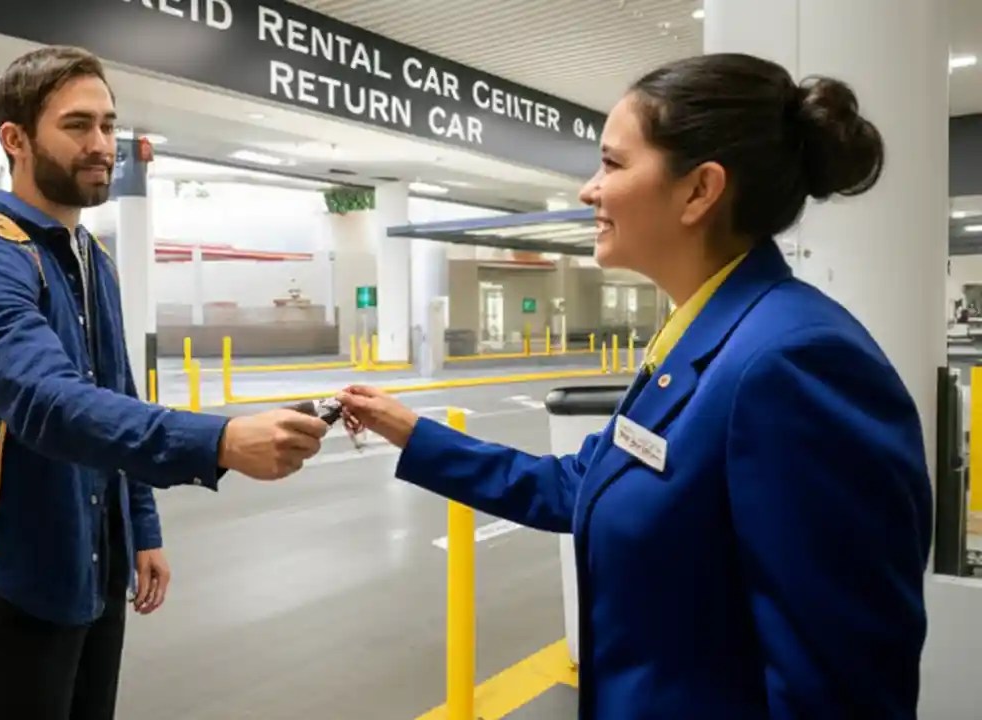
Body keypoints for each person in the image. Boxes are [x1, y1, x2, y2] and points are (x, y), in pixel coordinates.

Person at [338, 53, 932, 720]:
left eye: (613, 164)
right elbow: (581, 487)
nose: (590, 189)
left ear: (700, 191)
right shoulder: (702, 337)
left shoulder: (792, 364)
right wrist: (412, 433)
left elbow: (841, 688)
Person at [0, 46, 329, 720]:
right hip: (14, 571)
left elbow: (118, 398)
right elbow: (50, 405)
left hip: (96, 562)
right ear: (15, 140)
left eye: (109, 125)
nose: (103, 145)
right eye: (78, 126)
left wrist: (141, 529)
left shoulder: (93, 259)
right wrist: (221, 440)